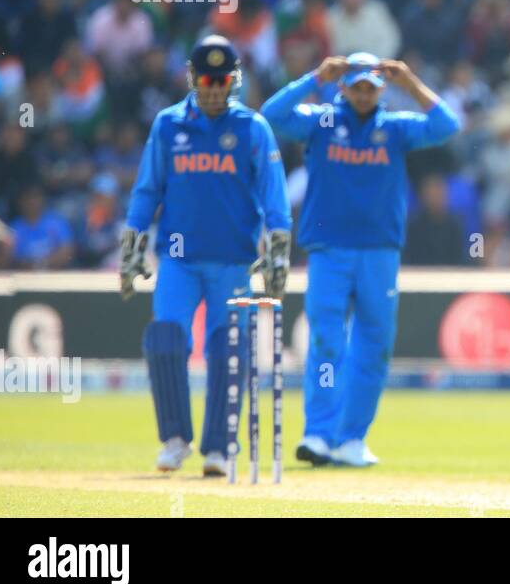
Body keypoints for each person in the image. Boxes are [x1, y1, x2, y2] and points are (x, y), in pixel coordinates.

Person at [261, 52, 460, 467]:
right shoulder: (324, 121)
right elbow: (272, 114)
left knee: (374, 346)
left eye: (371, 88)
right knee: (326, 343)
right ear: (343, 87)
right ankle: (318, 434)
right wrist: (315, 76)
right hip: (329, 249)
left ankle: (352, 437)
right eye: (357, 87)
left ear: (381, 89)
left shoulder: (394, 128)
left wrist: (411, 83)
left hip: (379, 251)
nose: (364, 95)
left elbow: (448, 126)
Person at [120, 36, 291, 477]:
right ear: (193, 79)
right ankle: (175, 439)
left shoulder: (253, 128)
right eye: (206, 80)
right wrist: (133, 241)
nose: (214, 89)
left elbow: (275, 196)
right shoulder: (169, 124)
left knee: (228, 349)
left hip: (233, 260)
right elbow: (147, 188)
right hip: (178, 257)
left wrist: (278, 249)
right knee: (166, 339)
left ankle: (219, 447)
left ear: (233, 79)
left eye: (222, 80)